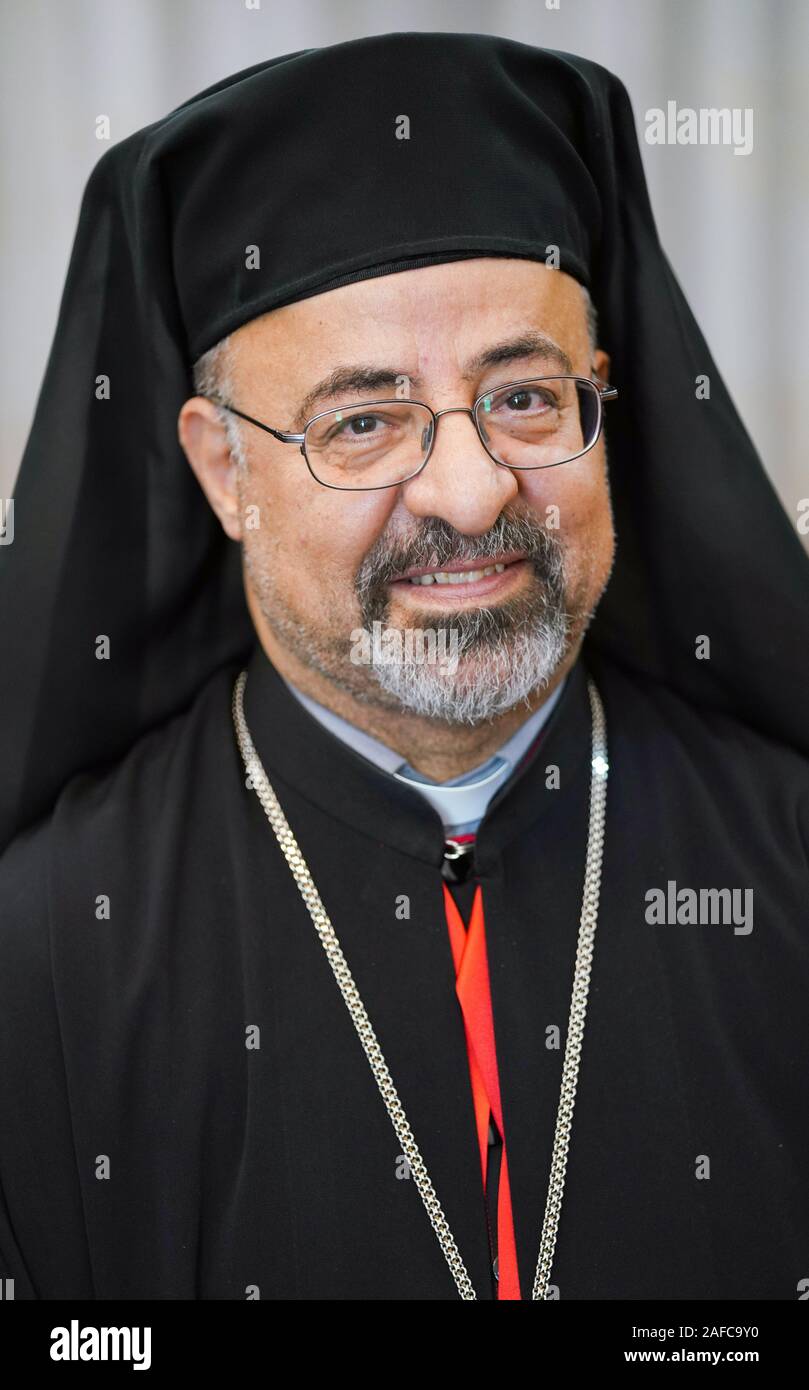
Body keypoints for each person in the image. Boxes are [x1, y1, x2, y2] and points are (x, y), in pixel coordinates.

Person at [0, 31, 807, 1303]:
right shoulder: (41, 966)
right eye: (362, 422)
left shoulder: (786, 862)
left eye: (526, 398)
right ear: (224, 471)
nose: (473, 490)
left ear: (603, 398)